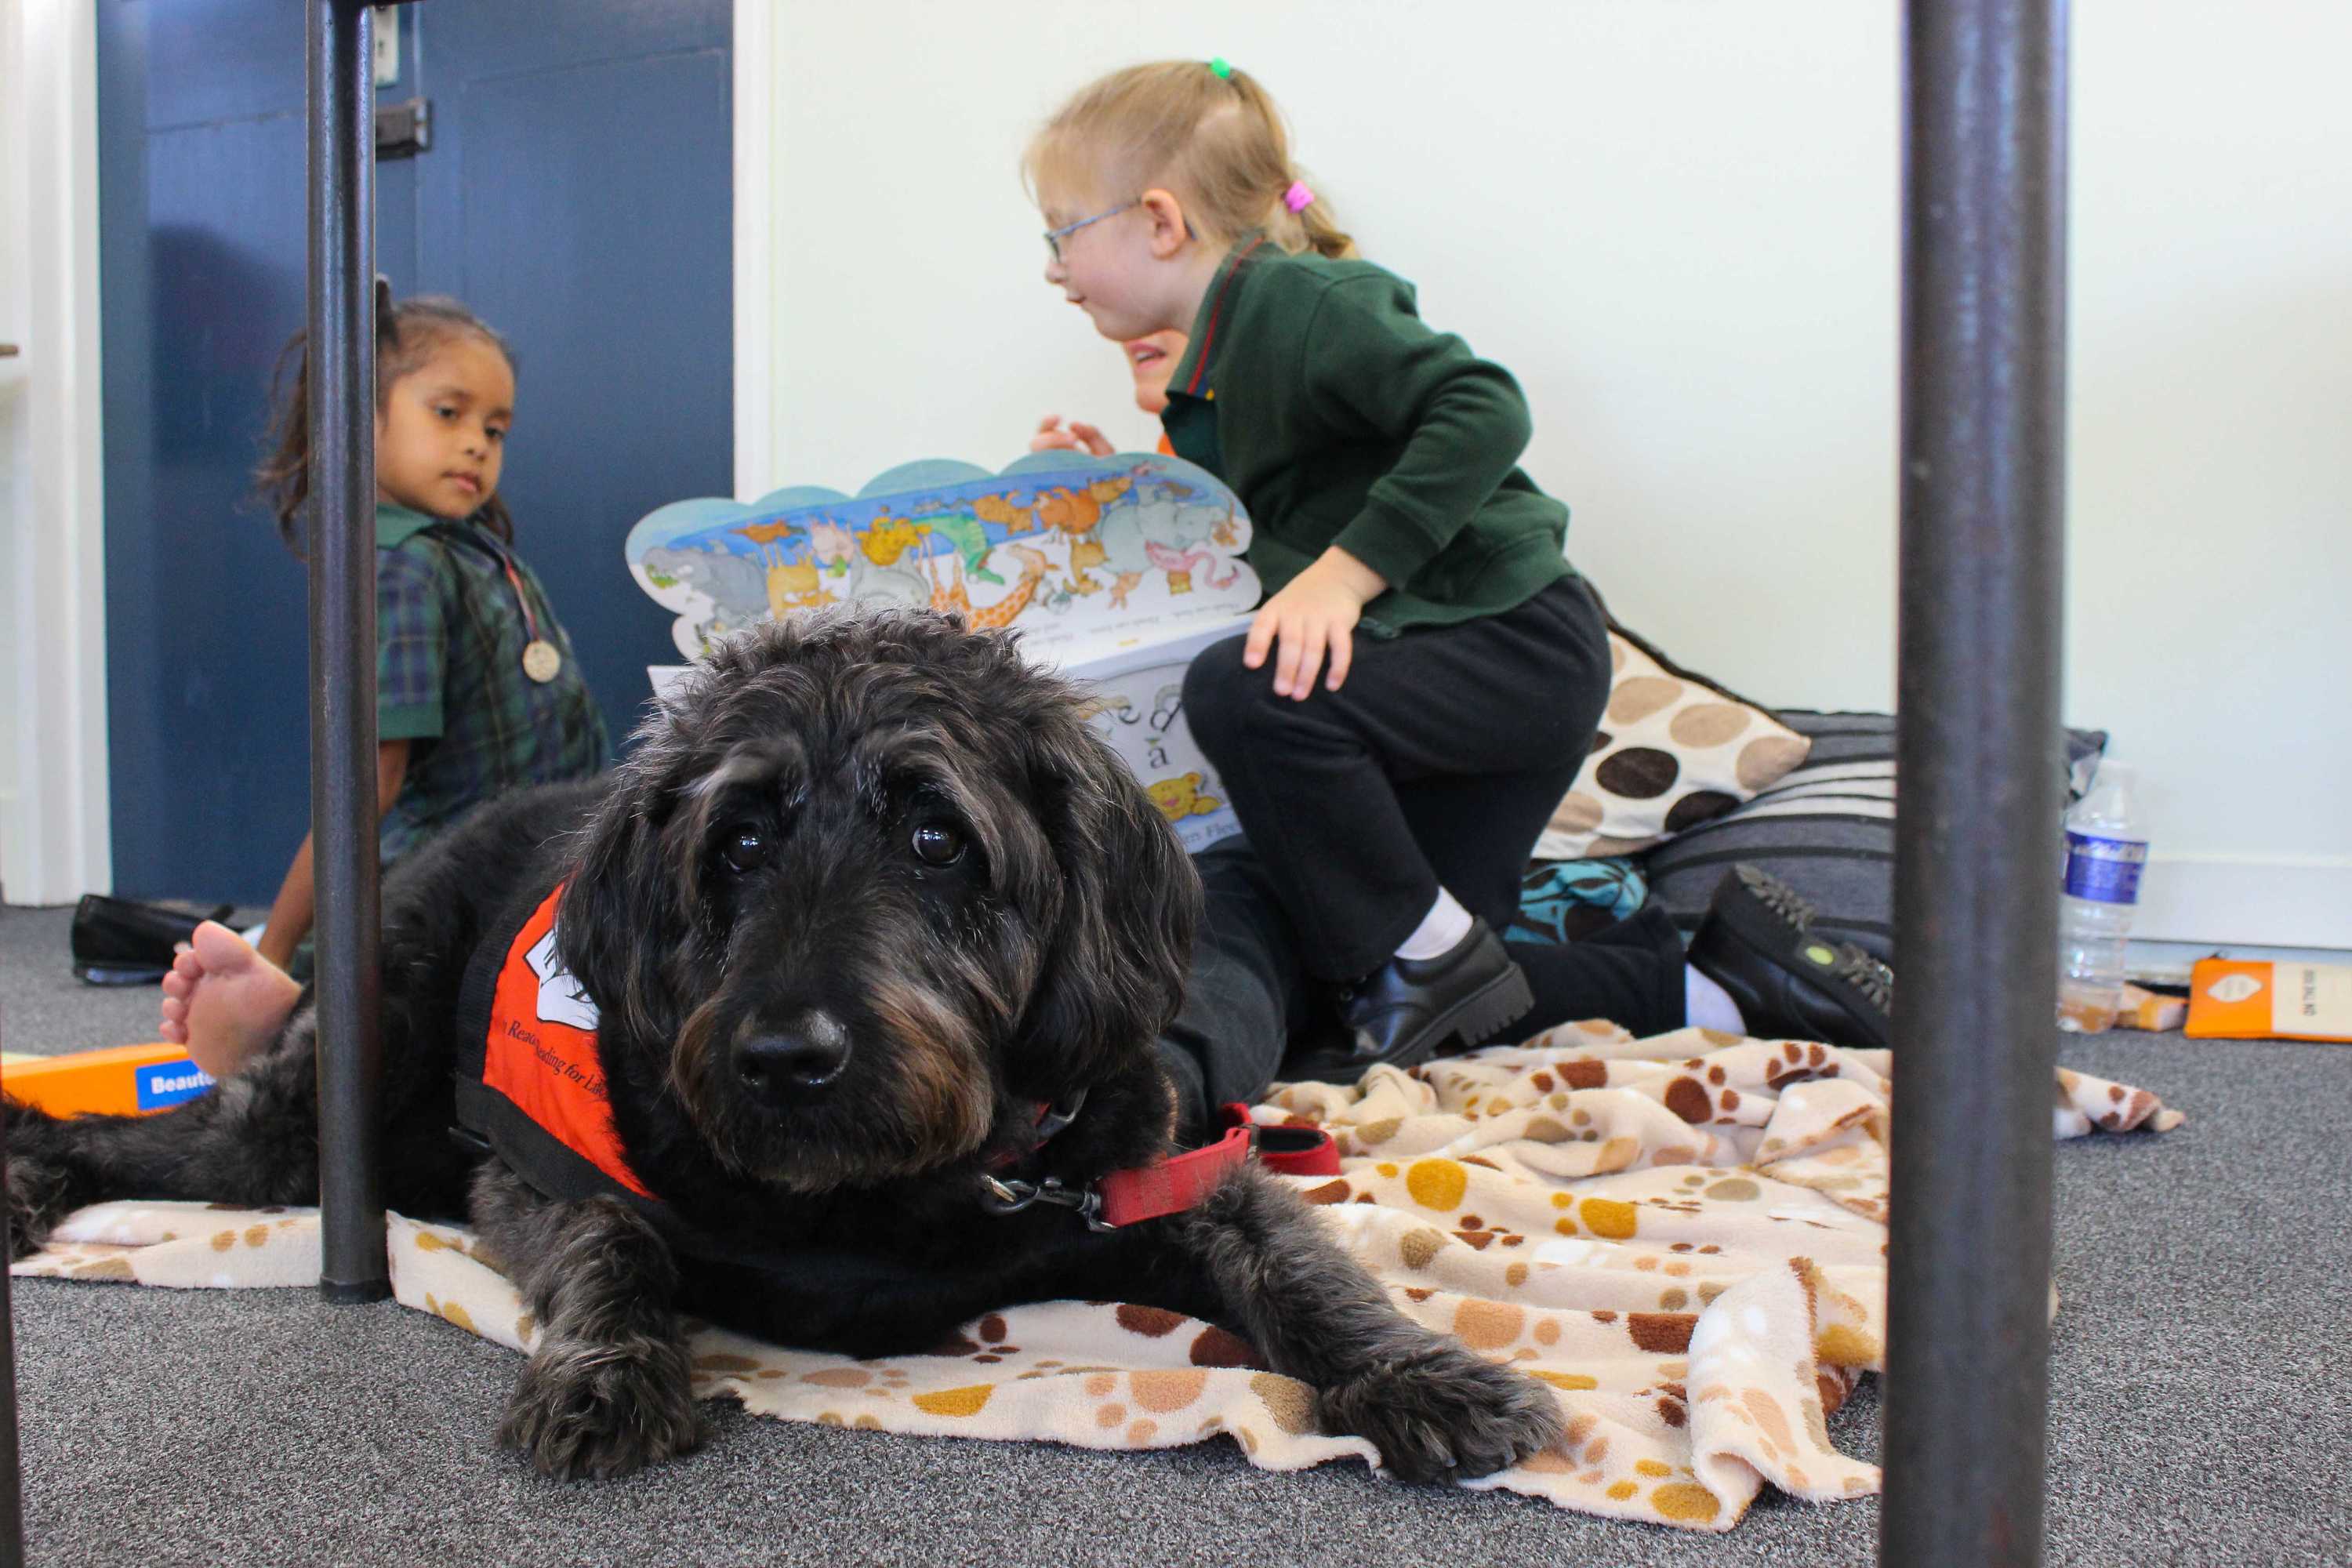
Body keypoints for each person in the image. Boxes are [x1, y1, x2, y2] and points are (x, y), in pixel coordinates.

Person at [1025, 60, 1893, 1119]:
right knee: (1400, 977)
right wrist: (1113, 491)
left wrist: (1345, 577)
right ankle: (1731, 984)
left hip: (1510, 644)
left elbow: (1483, 408)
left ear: (1160, 221)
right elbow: (1255, 545)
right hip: (1448, 684)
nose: (1055, 270)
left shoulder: (1298, 302)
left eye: (1063, 233)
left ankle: (1431, 956)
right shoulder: (1214, 378)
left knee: (1240, 692)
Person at [159, 287, 608, 1077]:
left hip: (536, 868)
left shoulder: (463, 550)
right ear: (362, 419)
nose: (475, 445)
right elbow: (369, 779)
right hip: (462, 886)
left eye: (494, 429)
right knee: (416, 1017)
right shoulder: (403, 569)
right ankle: (280, 1009)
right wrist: (278, 945)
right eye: (448, 413)